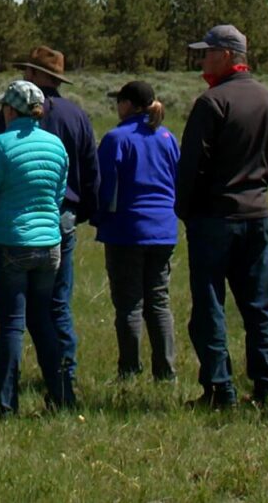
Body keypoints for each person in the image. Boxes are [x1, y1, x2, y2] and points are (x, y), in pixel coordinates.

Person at [176, 25, 268, 407]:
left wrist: (186, 208)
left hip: (214, 218)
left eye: (207, 53)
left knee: (210, 305)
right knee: (259, 305)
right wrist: (255, 185)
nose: (202, 60)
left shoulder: (212, 103)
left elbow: (192, 165)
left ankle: (219, 388)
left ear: (226, 55)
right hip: (256, 214)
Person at [0, 46, 95, 394]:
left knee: (13, 316)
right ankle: (65, 379)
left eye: (26, 71)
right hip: (59, 218)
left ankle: (6, 387)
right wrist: (81, 213)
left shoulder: (11, 113)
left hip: (15, 224)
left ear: (35, 75)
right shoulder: (77, 116)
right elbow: (90, 172)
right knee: (57, 306)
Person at [0, 80, 74, 416]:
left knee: (12, 324)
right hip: (49, 245)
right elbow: (59, 194)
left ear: (10, 110)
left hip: (11, 244)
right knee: (43, 320)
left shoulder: (0, 146)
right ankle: (62, 396)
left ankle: (4, 402)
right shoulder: (56, 146)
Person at [93, 80, 179, 382]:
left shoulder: (116, 138)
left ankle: (129, 370)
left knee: (129, 303)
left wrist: (99, 217)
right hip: (163, 229)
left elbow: (104, 186)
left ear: (129, 104)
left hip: (126, 229)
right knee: (158, 301)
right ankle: (166, 373)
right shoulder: (168, 137)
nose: (117, 107)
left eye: (120, 101)